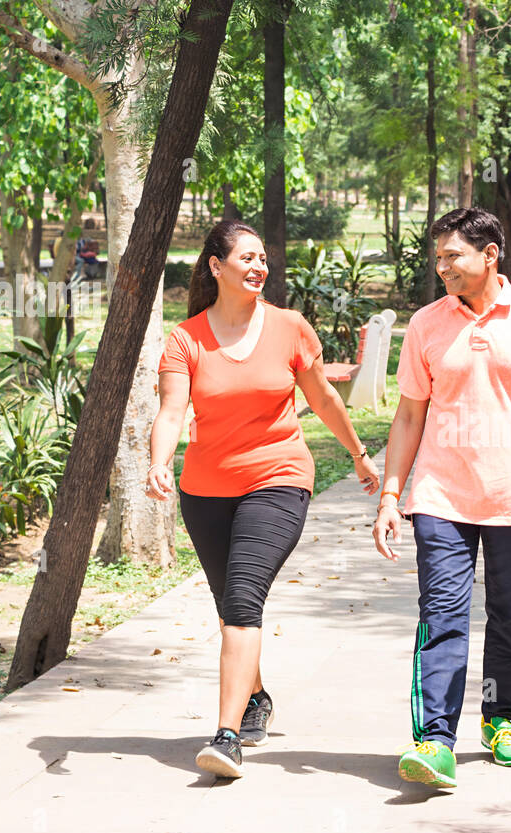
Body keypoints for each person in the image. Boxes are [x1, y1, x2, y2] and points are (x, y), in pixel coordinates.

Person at [147, 219, 379, 779]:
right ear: (216, 266)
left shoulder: (290, 328)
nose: (258, 267)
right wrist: (158, 461)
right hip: (205, 490)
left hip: (278, 478)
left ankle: (226, 738)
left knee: (243, 600)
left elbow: (322, 397)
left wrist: (357, 454)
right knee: (232, 604)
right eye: (246, 258)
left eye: (262, 259)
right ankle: (254, 698)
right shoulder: (185, 340)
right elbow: (173, 411)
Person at [372, 207, 511, 789]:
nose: (442, 267)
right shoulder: (426, 324)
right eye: (437, 258)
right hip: (440, 496)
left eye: (453, 257)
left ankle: (500, 719)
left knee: (508, 616)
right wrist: (392, 495)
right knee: (441, 617)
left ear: (490, 255)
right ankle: (435, 741)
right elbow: (410, 414)